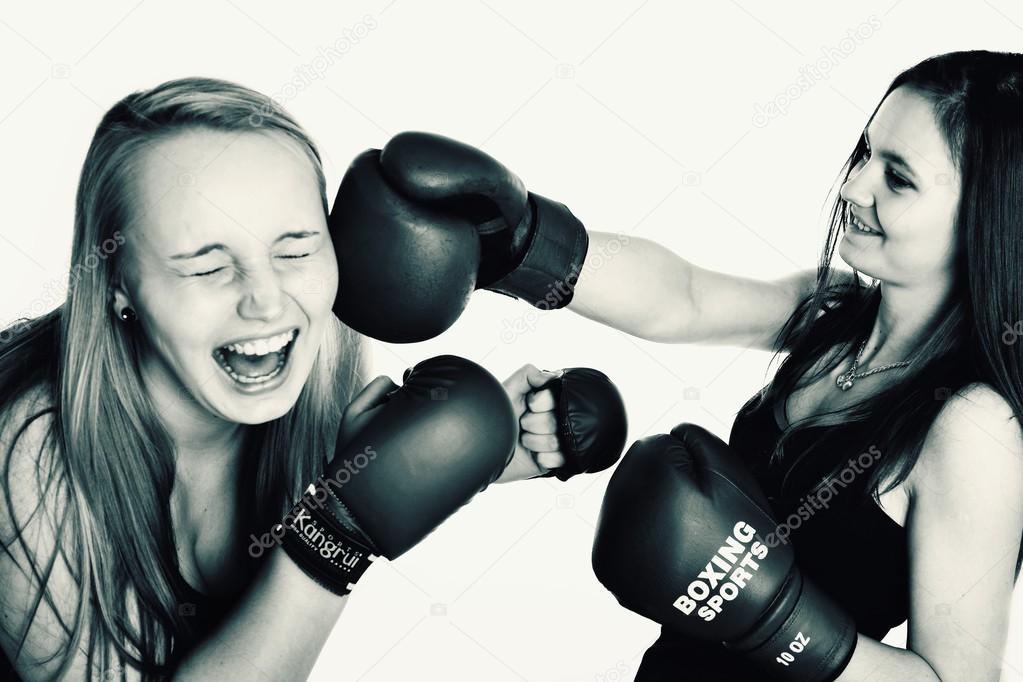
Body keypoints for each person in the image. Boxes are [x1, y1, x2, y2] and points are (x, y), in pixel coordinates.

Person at [345, 49, 1023, 680]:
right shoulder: (832, 313)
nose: (852, 185)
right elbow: (681, 297)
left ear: (986, 215)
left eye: (896, 178)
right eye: (865, 152)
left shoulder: (972, 428)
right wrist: (521, 246)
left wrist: (780, 618)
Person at [0, 77, 626, 681]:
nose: (267, 302)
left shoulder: (319, 357)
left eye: (296, 250)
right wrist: (333, 536)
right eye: (207, 267)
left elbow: (381, 476)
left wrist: (477, 449)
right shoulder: (31, 454)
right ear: (117, 284)